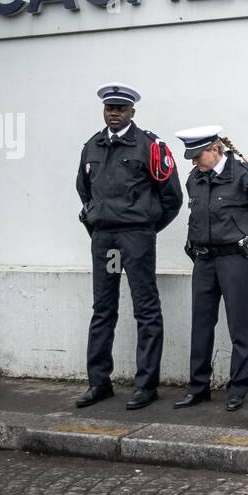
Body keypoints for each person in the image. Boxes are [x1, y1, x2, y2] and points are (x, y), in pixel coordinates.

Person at [74, 83, 183, 409]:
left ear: (132, 111)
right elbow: (85, 190)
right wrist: (97, 220)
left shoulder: (149, 146)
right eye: (110, 108)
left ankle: (146, 386)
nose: (115, 114)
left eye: (121, 109)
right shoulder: (92, 146)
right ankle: (99, 382)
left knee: (145, 308)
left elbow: (172, 197)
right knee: (103, 309)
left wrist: (146, 226)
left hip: (136, 237)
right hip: (105, 239)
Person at [173, 126, 248, 412]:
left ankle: (237, 388)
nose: (194, 162)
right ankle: (198, 388)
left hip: (235, 259)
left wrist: (244, 235)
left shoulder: (244, 175)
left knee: (239, 326)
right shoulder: (195, 178)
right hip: (204, 261)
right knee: (201, 325)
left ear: (215, 150)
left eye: (197, 155)